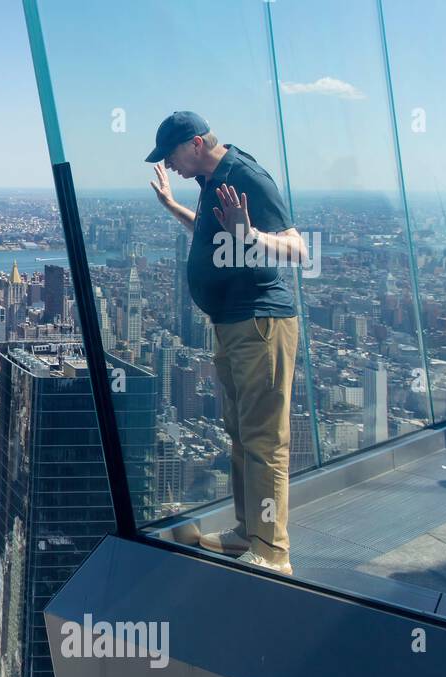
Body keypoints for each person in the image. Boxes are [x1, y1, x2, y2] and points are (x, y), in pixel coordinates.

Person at [147, 111, 306, 575]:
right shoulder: (213, 181)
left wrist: (250, 234)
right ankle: (246, 531)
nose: (169, 164)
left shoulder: (246, 176)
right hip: (233, 325)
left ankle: (273, 552)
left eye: (171, 154)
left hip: (261, 324)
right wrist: (173, 206)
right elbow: (214, 233)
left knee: (264, 441)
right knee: (240, 434)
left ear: (195, 144)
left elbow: (298, 249)